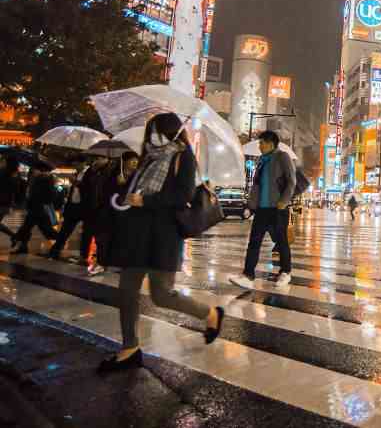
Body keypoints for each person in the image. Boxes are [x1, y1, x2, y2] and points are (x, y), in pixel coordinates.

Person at [101, 113, 222, 373]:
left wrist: (145, 201)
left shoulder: (183, 157)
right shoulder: (147, 158)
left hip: (164, 236)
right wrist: (125, 190)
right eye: (151, 131)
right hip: (137, 234)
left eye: (158, 131)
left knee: (162, 295)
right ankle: (130, 347)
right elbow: (134, 193)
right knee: (127, 290)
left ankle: (210, 314)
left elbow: (183, 196)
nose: (153, 136)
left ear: (171, 132)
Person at [229, 130, 295, 290]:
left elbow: (291, 181)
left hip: (278, 209)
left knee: (281, 241)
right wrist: (251, 207)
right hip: (262, 210)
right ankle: (248, 275)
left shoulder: (282, 157)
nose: (259, 146)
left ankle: (285, 272)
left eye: (262, 143)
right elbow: (256, 186)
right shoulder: (262, 161)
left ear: (271, 143)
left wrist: (283, 201)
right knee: (254, 242)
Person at [90, 152, 140, 277]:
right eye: (132, 161)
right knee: (105, 238)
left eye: (136, 161)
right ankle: (102, 262)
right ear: (125, 161)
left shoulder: (137, 177)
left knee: (123, 239)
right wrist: (118, 184)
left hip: (127, 214)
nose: (135, 163)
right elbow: (106, 192)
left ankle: (120, 263)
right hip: (109, 213)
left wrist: (126, 184)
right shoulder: (112, 174)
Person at [46, 155, 90, 260]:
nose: (75, 166)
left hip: (84, 206)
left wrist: (76, 183)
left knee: (86, 233)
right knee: (65, 230)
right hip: (73, 206)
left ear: (83, 163)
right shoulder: (76, 173)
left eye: (77, 164)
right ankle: (55, 250)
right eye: (74, 165)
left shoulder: (89, 173)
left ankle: (83, 255)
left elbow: (89, 188)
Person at [12, 165, 58, 254]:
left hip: (39, 208)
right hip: (34, 207)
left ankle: (60, 241)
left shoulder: (44, 179)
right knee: (29, 228)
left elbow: (47, 195)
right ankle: (22, 246)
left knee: (45, 230)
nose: (32, 172)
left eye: (33, 170)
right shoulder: (35, 179)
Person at [0, 156, 20, 239]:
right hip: (6, 204)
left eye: (3, 161)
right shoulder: (15, 176)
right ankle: (14, 236)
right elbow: (16, 191)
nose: (2, 162)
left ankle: (14, 236)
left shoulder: (2, 173)